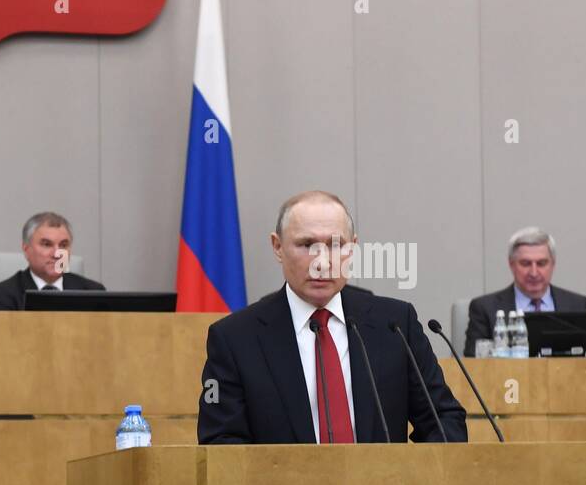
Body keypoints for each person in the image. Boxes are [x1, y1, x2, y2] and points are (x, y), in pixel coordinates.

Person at [198, 190, 467, 444]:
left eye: (335, 245)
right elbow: (221, 443)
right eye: (306, 244)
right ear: (277, 246)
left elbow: (443, 419)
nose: (322, 262)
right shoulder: (235, 338)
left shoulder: (396, 324)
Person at [463, 227, 586, 356]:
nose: (534, 273)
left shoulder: (578, 305)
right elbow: (472, 363)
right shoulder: (485, 309)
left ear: (553, 264)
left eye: (541, 263)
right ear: (511, 264)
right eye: (525, 263)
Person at [0, 212, 106, 310]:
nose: (57, 254)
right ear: (26, 249)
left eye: (63, 245)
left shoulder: (94, 292)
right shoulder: (2, 295)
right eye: (47, 244)